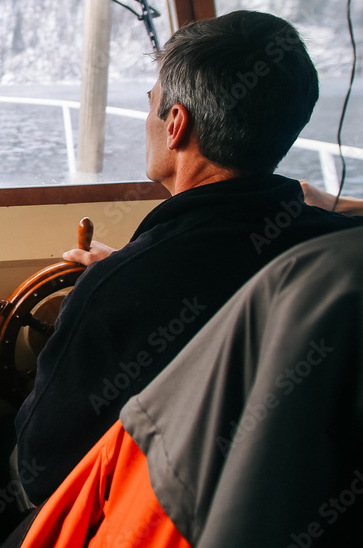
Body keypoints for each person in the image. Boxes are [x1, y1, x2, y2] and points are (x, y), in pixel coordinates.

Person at [13, 10, 362, 510]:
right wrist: (131, 266)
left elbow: (41, 468)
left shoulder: (116, 293)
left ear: (175, 124)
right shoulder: (344, 255)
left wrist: (121, 280)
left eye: (152, 102)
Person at [19, 226, 363, 547]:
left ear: (176, 154)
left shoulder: (114, 282)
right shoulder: (336, 245)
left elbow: (40, 470)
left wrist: (121, 278)